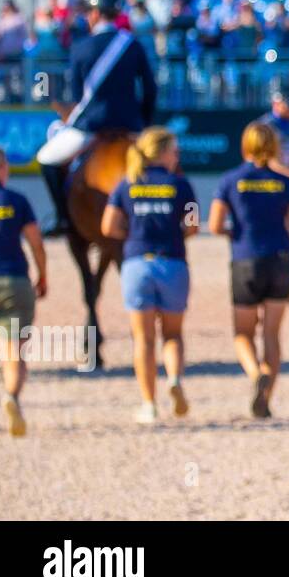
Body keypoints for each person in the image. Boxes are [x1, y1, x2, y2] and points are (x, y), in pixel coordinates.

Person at [36, 0, 157, 236]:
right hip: (130, 125)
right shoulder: (133, 45)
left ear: (95, 14)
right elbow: (150, 89)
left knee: (46, 160)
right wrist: (141, 123)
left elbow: (79, 95)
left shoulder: (81, 47)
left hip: (92, 126)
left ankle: (63, 218)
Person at [101, 127, 198, 424]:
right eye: (174, 150)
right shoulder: (181, 185)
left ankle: (148, 404)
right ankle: (174, 378)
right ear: (163, 152)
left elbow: (108, 227)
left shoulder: (125, 184)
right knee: (172, 334)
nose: (177, 155)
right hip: (172, 263)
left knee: (143, 339)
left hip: (136, 264)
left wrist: (132, 233)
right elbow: (193, 225)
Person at [208, 122, 289, 419]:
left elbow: (213, 225)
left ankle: (254, 373)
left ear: (245, 145)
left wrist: (234, 232)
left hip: (246, 259)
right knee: (272, 333)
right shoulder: (285, 183)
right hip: (280, 259)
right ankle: (266, 398)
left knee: (242, 333)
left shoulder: (230, 180)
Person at [0, 147, 46, 438]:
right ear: (1, 168)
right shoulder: (16, 200)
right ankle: (11, 396)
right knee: (13, 349)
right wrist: (43, 275)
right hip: (13, 280)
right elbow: (36, 242)